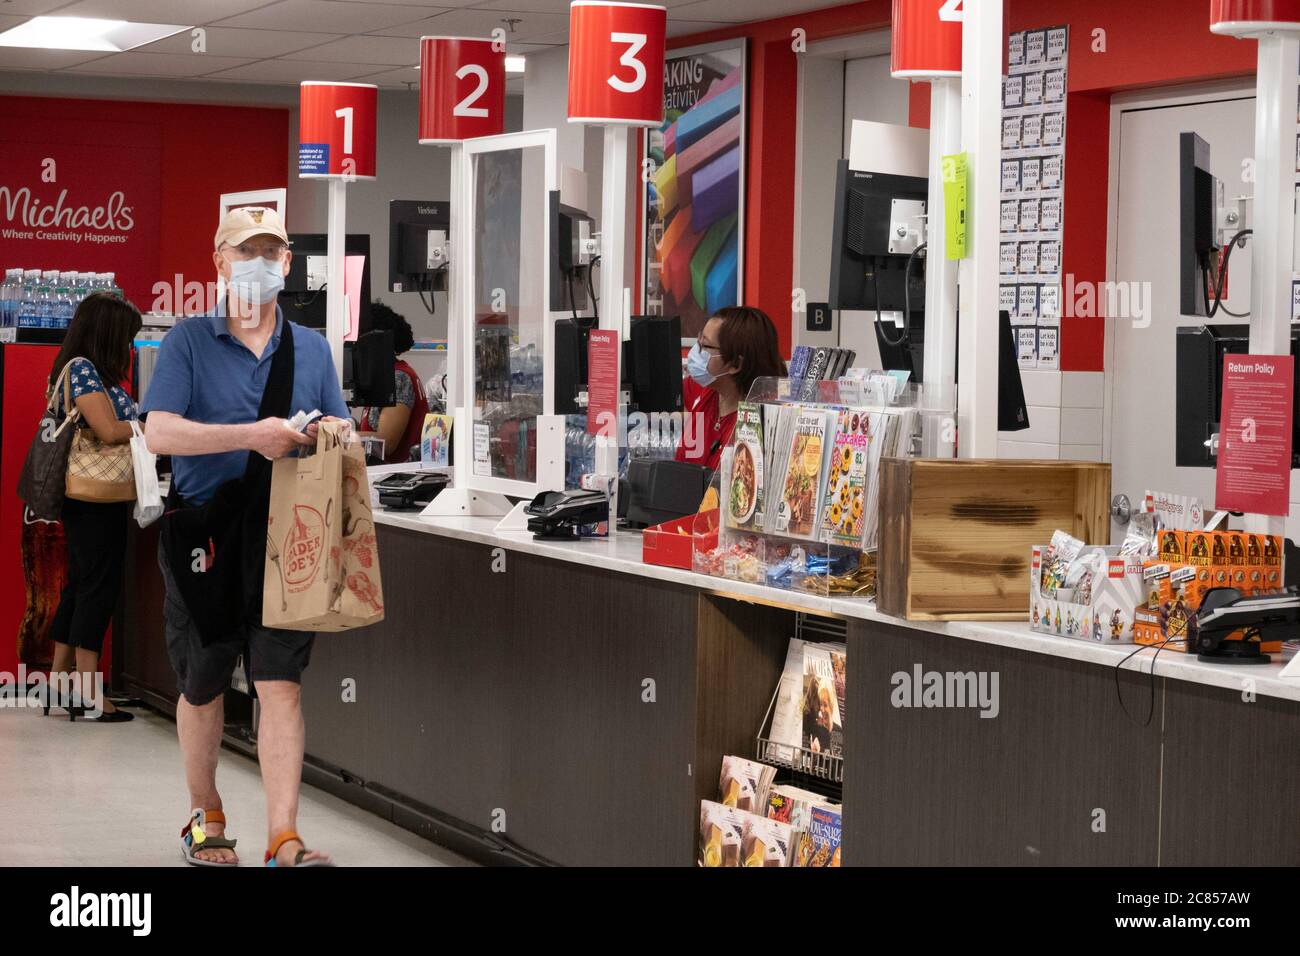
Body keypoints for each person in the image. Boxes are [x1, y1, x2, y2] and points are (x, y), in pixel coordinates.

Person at [141, 206, 350, 867]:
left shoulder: (312, 350)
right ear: (219, 263)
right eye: (244, 251)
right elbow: (159, 432)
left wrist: (324, 439)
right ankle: (206, 816)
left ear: (288, 264)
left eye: (271, 252)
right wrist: (249, 437)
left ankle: (283, 836)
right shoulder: (189, 342)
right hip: (205, 532)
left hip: (287, 538)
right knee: (202, 683)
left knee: (278, 682)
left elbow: (343, 436)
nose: (258, 264)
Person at [45, 292, 143, 723]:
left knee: (81, 583)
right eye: (125, 337)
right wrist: (149, 423)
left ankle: (57, 681)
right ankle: (88, 690)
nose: (129, 347)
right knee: (98, 586)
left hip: (85, 497)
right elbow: (107, 430)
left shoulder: (83, 370)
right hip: (93, 495)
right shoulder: (85, 371)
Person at [676, 306, 787, 471]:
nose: (695, 352)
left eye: (704, 346)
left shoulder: (756, 426)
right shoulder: (703, 389)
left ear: (735, 364)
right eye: (699, 341)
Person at [353, 301, 429, 464]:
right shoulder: (382, 377)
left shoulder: (398, 378)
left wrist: (343, 437)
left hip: (395, 478)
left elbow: (386, 445)